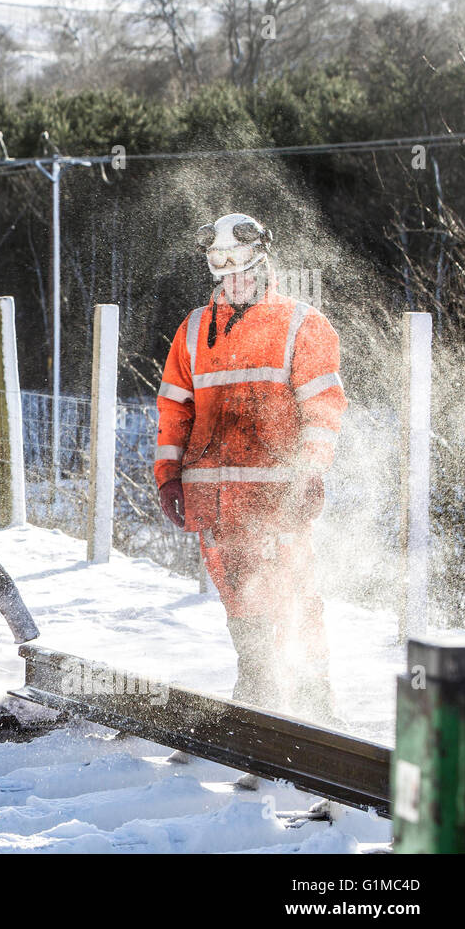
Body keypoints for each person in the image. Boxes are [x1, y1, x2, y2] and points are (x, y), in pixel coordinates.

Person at [155, 213, 346, 719]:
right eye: (222, 274)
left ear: (263, 264)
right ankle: (258, 691)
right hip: (213, 501)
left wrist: (309, 473)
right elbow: (175, 409)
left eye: (241, 271)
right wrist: (168, 477)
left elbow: (323, 410)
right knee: (239, 600)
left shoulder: (302, 324)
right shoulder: (194, 329)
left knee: (296, 596)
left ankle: (314, 701)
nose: (232, 283)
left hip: (278, 498)